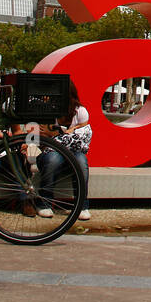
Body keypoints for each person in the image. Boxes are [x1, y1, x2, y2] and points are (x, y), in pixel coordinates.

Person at [40, 80, 92, 221]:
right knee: (53, 158)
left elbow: (83, 136)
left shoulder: (80, 111)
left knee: (81, 160)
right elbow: (42, 136)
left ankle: (82, 205)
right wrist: (66, 133)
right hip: (51, 151)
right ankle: (45, 202)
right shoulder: (48, 109)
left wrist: (56, 135)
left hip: (73, 151)